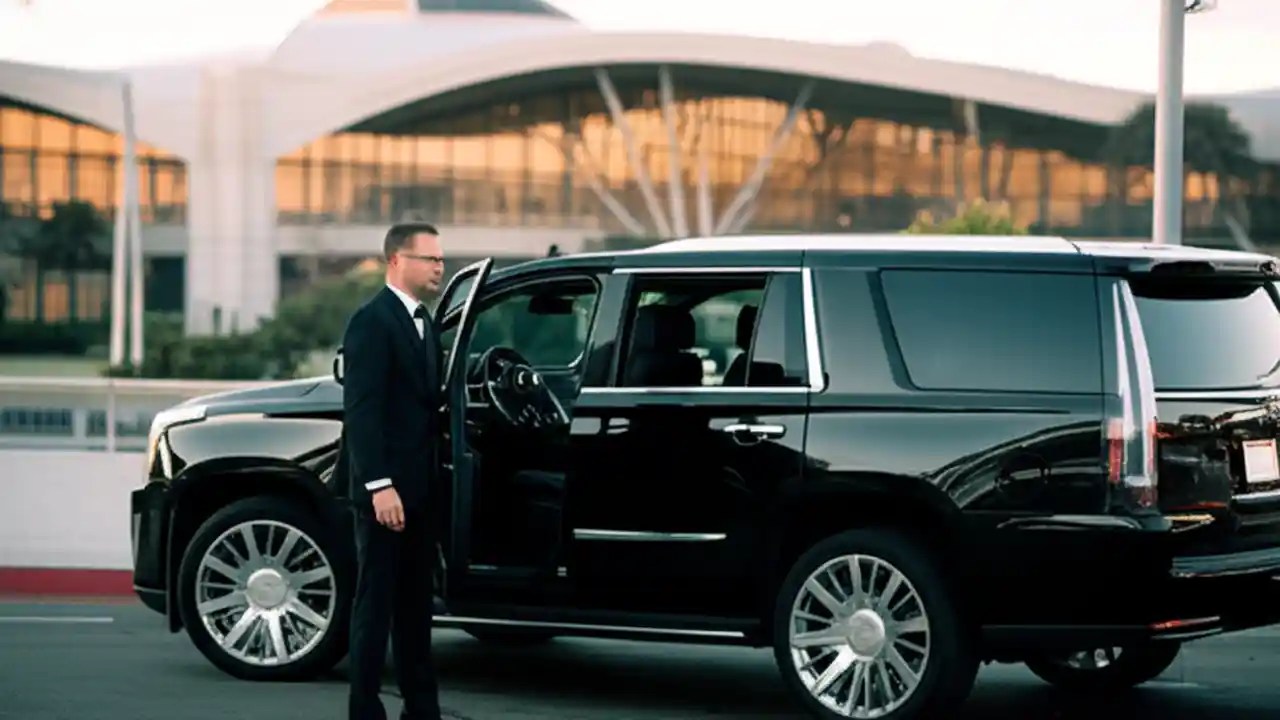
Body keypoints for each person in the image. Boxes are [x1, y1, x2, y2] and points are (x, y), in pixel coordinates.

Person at [342, 221, 448, 720]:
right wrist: (379, 487)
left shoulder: (426, 323)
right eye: (429, 258)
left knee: (415, 609)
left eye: (440, 259)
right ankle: (364, 709)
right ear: (396, 261)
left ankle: (420, 708)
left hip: (421, 490)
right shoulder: (372, 321)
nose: (439, 267)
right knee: (375, 607)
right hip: (385, 495)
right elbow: (363, 412)